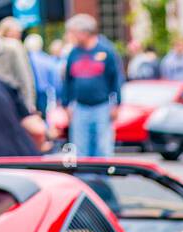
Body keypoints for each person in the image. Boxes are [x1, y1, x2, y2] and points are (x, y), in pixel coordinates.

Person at [61, 14, 122, 157]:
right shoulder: (74, 53)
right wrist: (66, 104)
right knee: (80, 147)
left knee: (103, 147)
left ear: (84, 33)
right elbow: (68, 80)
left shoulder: (106, 51)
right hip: (80, 107)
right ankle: (84, 177)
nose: (71, 36)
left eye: (73, 32)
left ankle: (103, 178)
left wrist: (117, 104)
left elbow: (116, 79)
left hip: (101, 106)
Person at [0, 18, 37, 113]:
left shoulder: (14, 47)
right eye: (16, 33)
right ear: (5, 31)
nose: (19, 36)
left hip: (13, 100)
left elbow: (25, 78)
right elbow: (25, 78)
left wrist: (29, 105)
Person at [25, 33, 61, 114]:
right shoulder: (47, 59)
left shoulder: (25, 59)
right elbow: (55, 81)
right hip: (44, 94)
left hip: (29, 93)